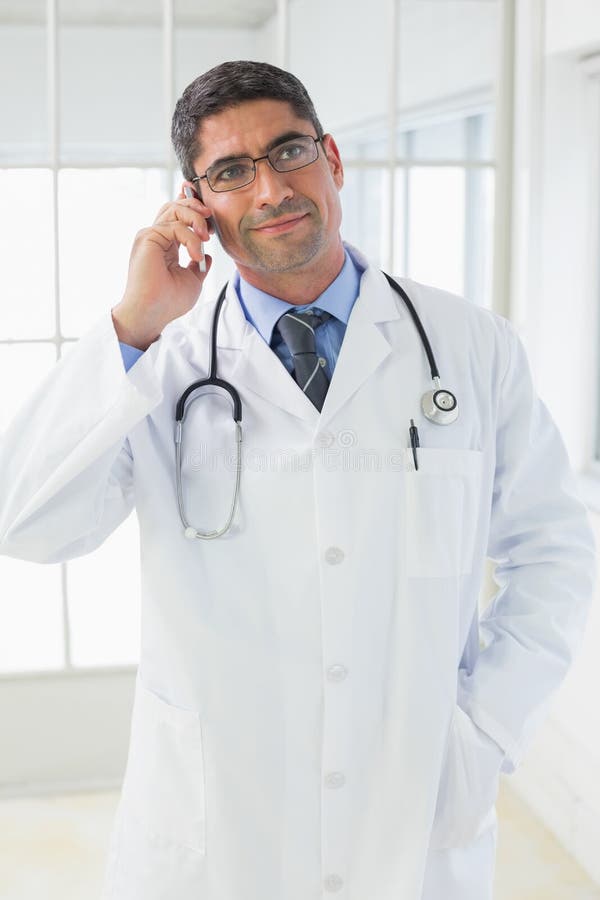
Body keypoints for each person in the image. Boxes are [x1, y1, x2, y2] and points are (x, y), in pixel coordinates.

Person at [0, 60, 596, 900]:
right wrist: (132, 325)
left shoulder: (468, 345)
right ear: (196, 202)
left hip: (412, 810)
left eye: (289, 153)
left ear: (334, 161)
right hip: (220, 820)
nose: (272, 188)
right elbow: (29, 523)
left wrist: (486, 731)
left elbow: (555, 552)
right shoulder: (161, 360)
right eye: (232, 172)